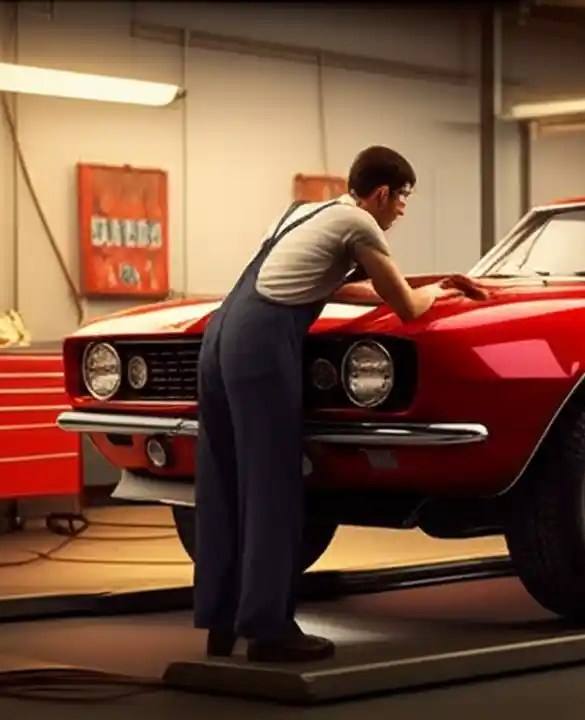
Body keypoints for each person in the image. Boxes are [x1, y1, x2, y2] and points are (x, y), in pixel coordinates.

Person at [192, 146, 470, 663]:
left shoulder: (306, 212)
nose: (404, 210)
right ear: (383, 194)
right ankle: (268, 630)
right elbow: (406, 307)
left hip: (220, 336)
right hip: (262, 343)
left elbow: (344, 287)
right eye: (404, 198)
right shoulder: (362, 225)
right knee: (272, 487)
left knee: (224, 483)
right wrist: (446, 289)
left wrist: (414, 287)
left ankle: (222, 622)